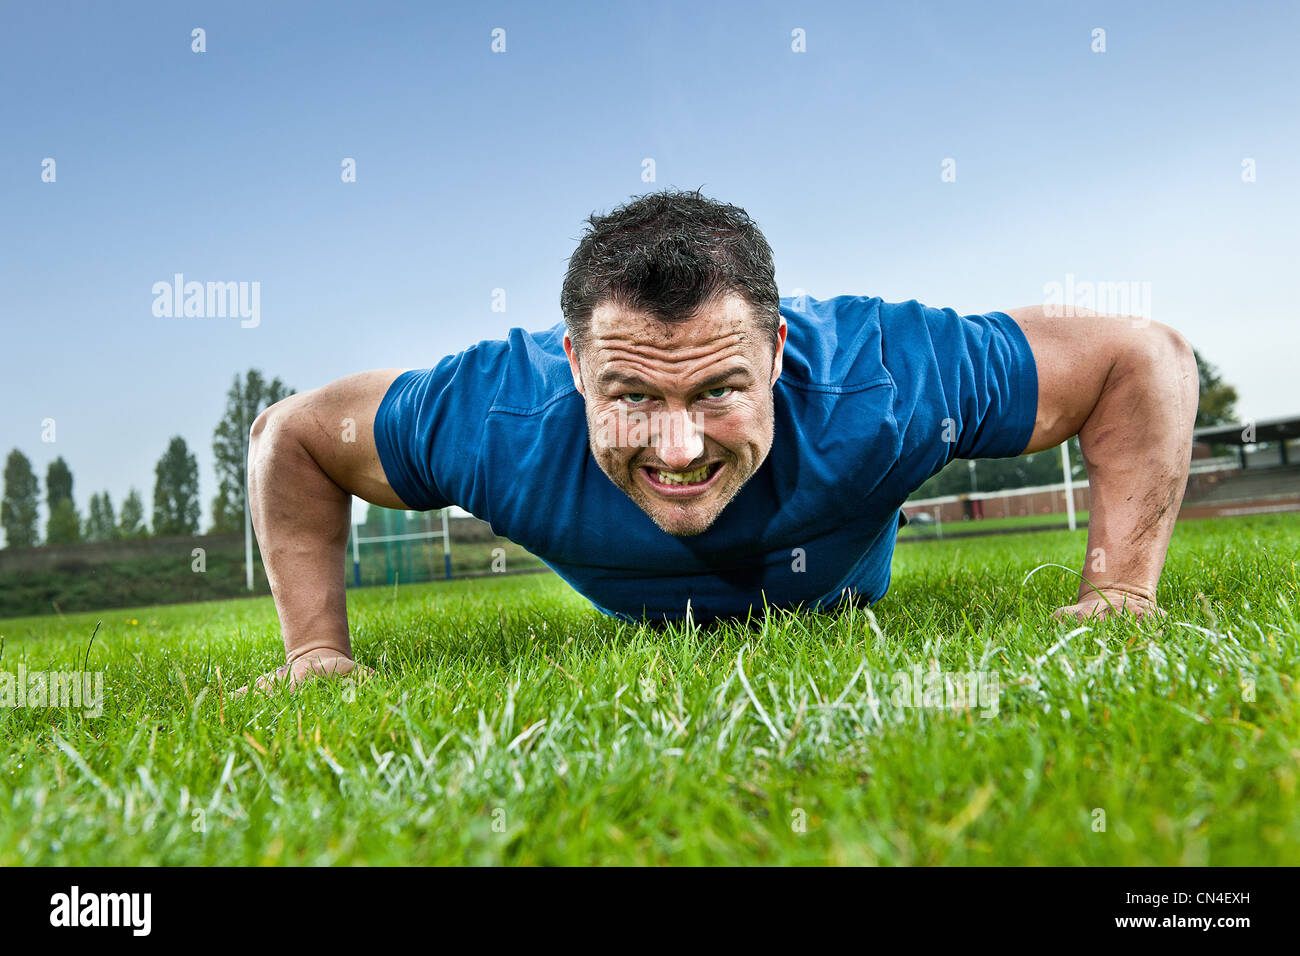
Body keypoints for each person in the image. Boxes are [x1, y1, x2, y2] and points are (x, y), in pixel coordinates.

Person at [239, 188, 1197, 693]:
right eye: (629, 395)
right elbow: (292, 436)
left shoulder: (888, 376)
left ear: (778, 352)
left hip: (840, 577)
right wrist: (314, 651)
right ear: (572, 365)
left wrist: (1119, 593)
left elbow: (1142, 359)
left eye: (719, 390)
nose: (681, 446)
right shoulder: (493, 420)